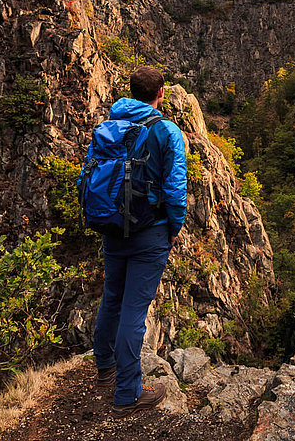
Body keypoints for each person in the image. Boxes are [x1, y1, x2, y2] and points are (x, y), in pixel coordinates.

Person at [92, 66, 187, 418]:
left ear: (131, 92)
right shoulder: (166, 131)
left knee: (112, 297)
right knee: (134, 309)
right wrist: (174, 226)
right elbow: (175, 188)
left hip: (112, 227)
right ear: (160, 94)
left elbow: (90, 175)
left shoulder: (108, 127)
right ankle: (128, 394)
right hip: (150, 231)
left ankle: (105, 370)